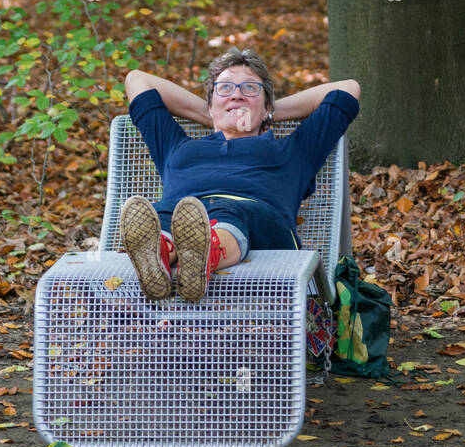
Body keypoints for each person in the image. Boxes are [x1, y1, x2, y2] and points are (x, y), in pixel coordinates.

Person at [121, 47, 360, 301]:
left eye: (249, 89)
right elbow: (137, 80)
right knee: (163, 212)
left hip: (262, 224)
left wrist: (265, 113)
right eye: (225, 88)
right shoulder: (175, 145)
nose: (237, 95)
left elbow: (347, 89)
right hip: (184, 214)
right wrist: (215, 111)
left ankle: (206, 252)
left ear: (267, 103)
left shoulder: (294, 149)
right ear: (210, 105)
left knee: (229, 211)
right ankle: (161, 253)